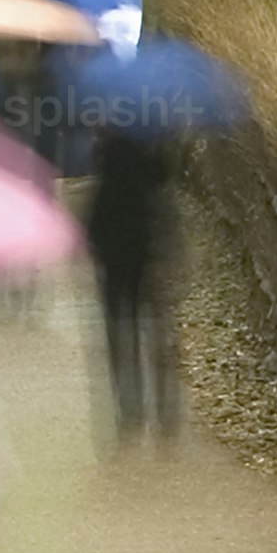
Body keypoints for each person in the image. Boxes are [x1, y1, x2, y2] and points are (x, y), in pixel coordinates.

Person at [83, 124, 179, 441]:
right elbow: (162, 179)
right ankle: (165, 410)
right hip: (145, 242)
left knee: (119, 333)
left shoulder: (107, 143)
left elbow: (98, 197)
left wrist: (92, 242)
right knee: (155, 328)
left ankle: (128, 409)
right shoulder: (153, 140)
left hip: (114, 248)